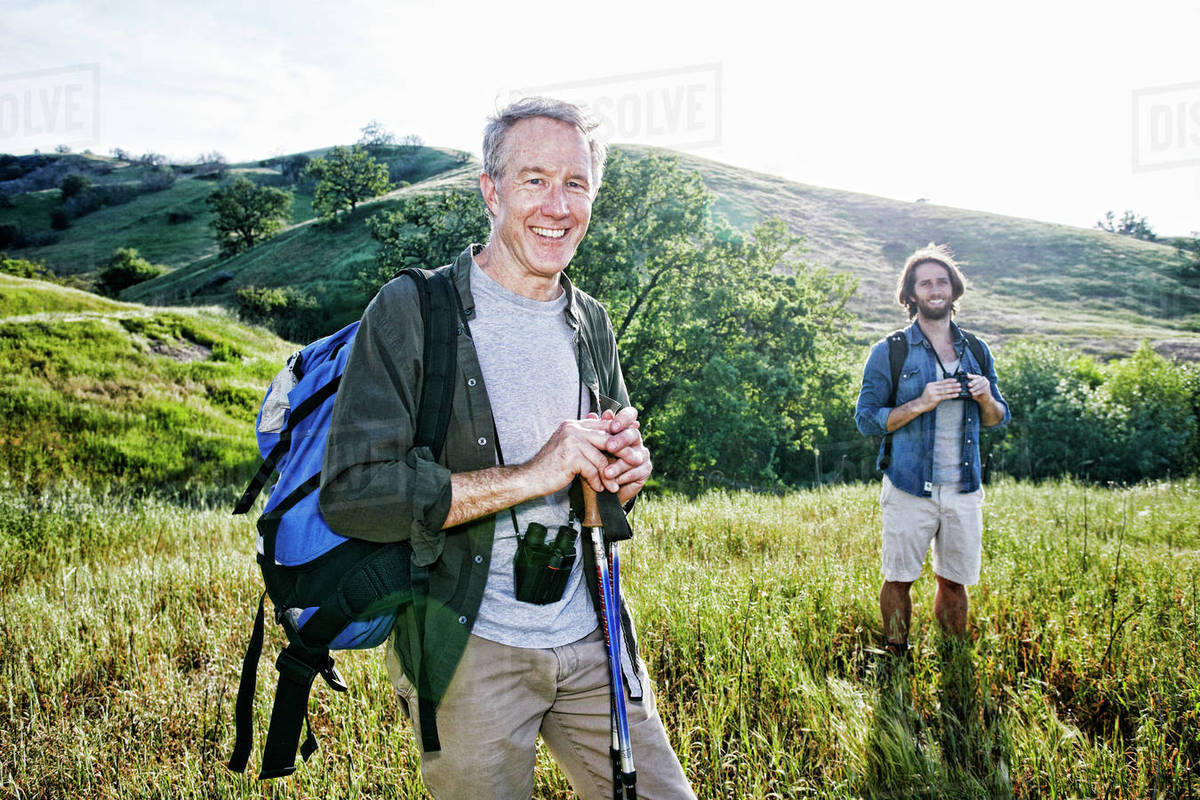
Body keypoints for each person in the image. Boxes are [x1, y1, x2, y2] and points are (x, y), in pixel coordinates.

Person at [318, 97, 694, 799]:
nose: (557, 206)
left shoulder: (592, 322)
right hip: (470, 647)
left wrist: (623, 474)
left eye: (576, 184)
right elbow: (356, 493)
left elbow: (602, 485)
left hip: (592, 632)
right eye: (534, 180)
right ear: (491, 191)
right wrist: (530, 474)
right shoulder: (412, 310)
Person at [854, 244, 1009, 657]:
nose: (935, 289)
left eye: (942, 281)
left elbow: (998, 417)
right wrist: (919, 403)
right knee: (899, 578)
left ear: (954, 290)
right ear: (911, 294)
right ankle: (896, 655)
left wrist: (986, 398)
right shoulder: (890, 351)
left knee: (955, 582)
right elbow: (866, 418)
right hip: (908, 487)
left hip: (963, 488)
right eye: (925, 283)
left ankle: (953, 661)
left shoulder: (976, 349)